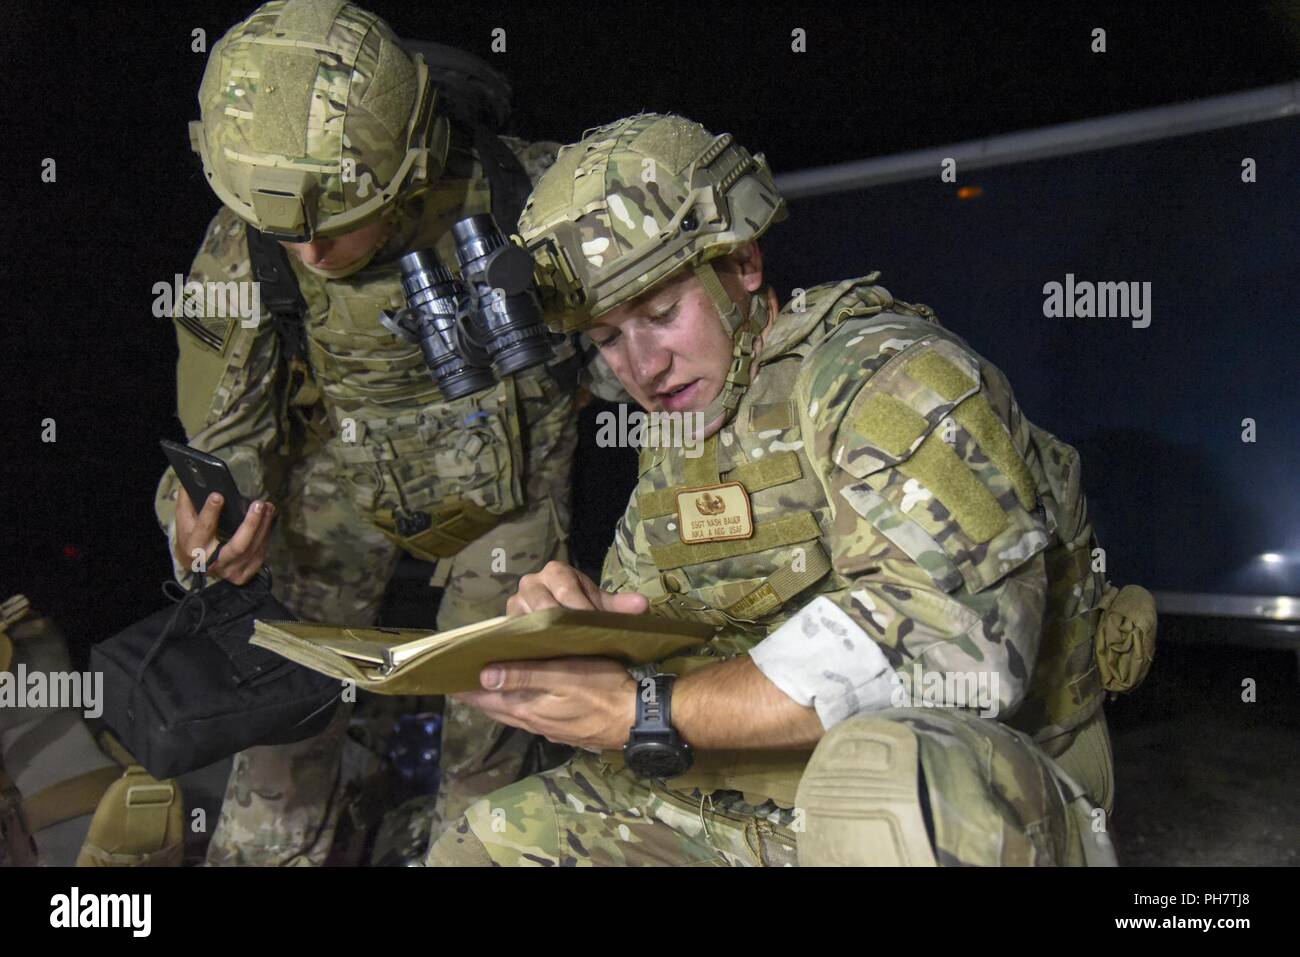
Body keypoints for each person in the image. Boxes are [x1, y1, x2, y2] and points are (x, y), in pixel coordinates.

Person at [424, 113, 1153, 867]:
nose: (642, 367)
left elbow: (960, 657)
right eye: (608, 338)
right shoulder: (680, 428)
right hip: (763, 790)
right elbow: (664, 625)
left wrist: (645, 708)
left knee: (884, 792)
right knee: (484, 845)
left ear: (742, 264)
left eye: (661, 313)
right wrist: (586, 630)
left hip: (972, 786)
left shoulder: (884, 375)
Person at [153, 0, 580, 865]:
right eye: (289, 233)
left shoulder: (533, 195)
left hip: (510, 470)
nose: (309, 255)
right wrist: (201, 519)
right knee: (281, 714)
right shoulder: (250, 244)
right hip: (341, 470)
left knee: (495, 737)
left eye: (338, 225)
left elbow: (650, 358)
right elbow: (226, 428)